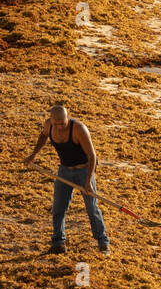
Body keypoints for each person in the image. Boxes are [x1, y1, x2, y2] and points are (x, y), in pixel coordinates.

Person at [24, 103, 110, 255]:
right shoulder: (49, 126)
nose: (59, 128)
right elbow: (43, 136)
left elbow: (92, 156)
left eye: (62, 124)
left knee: (92, 208)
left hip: (84, 170)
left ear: (68, 118)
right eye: (56, 124)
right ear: (51, 120)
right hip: (64, 171)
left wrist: (88, 181)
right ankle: (58, 243)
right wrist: (33, 155)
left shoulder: (78, 129)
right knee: (58, 208)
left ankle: (103, 243)